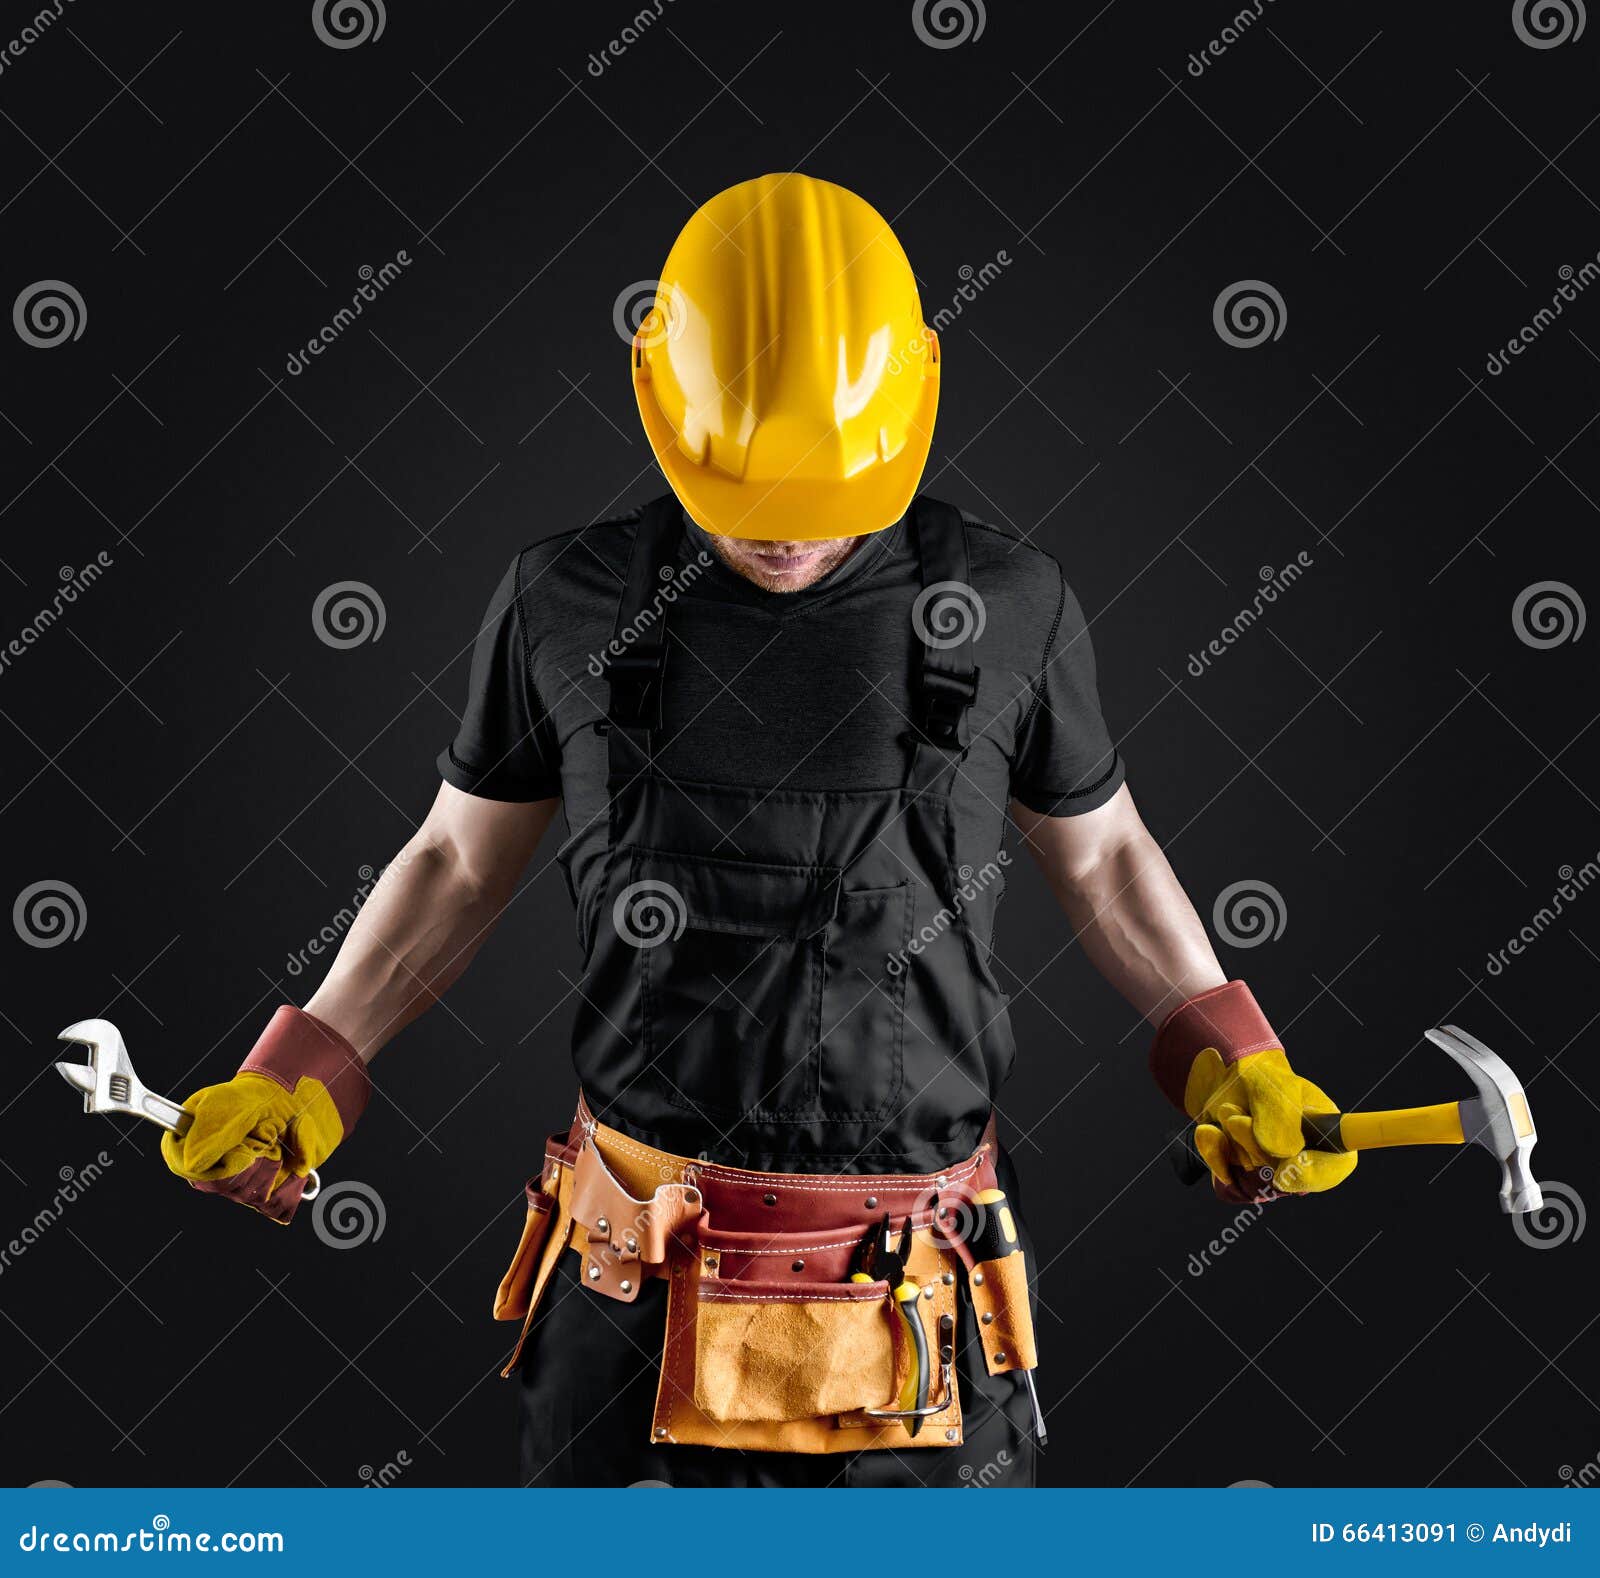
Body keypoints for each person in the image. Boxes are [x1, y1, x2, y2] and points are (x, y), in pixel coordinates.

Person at [161, 173, 1356, 1488]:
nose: (787, 526)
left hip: (918, 1325)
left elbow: (1109, 856)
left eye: (828, 491)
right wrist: (305, 1068)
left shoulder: (1010, 602)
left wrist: (1234, 1054)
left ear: (912, 401)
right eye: (749, 489)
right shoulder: (564, 600)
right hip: (630, 1316)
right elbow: (454, 860)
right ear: (661, 402)